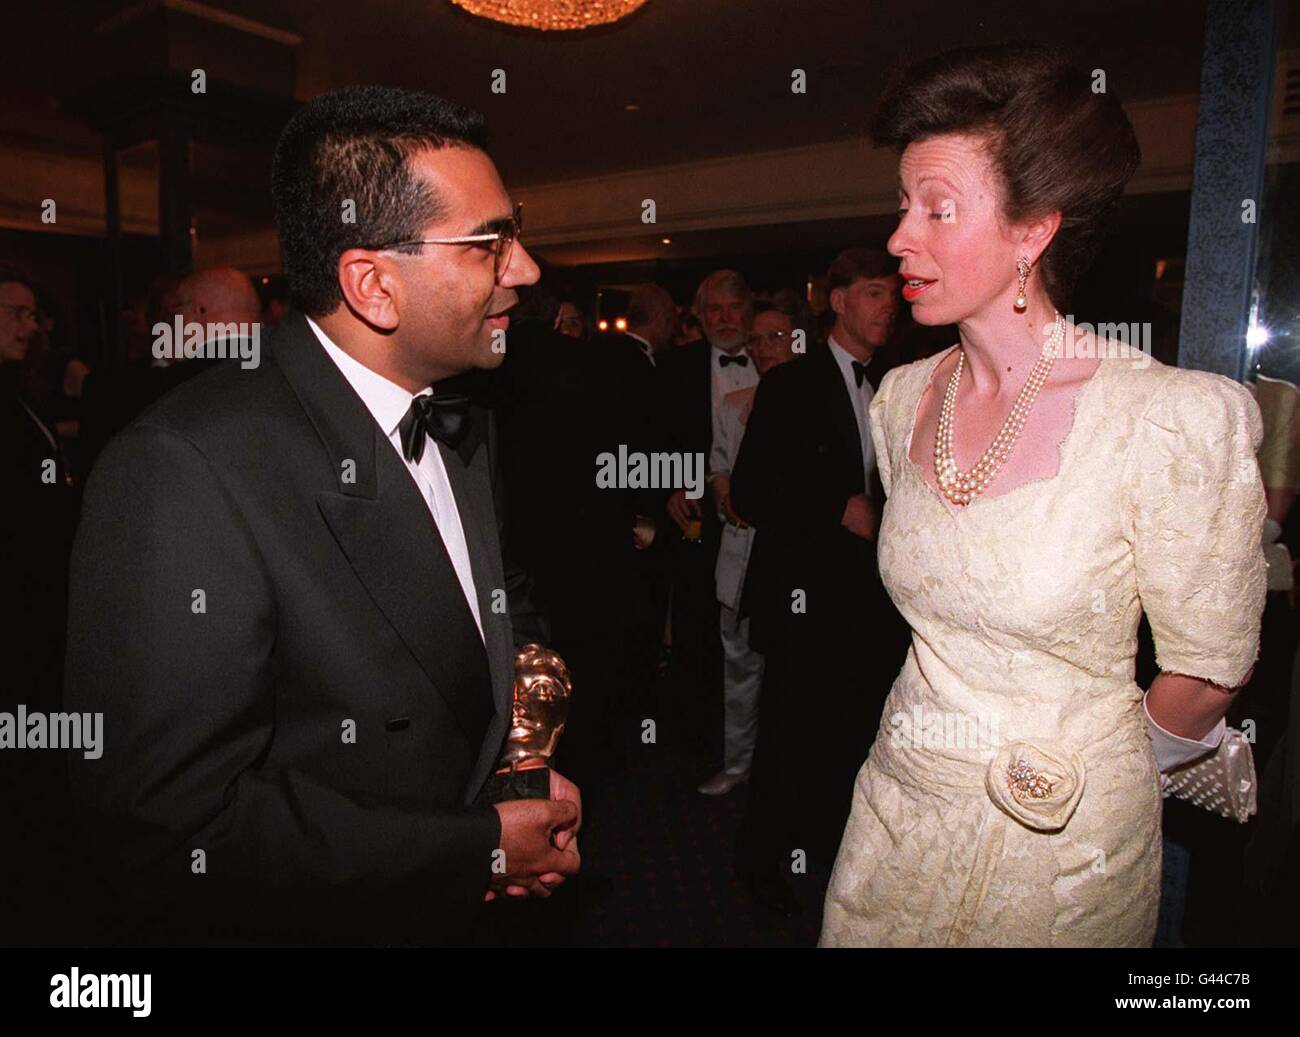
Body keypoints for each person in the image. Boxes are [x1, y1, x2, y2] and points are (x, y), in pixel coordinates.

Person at [64, 85, 581, 946]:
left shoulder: (460, 407)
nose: (524, 268)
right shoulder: (183, 467)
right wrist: (477, 849)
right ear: (372, 284)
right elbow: (173, 827)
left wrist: (525, 762)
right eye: (491, 243)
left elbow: (489, 606)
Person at [820, 44, 1267, 947]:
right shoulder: (901, 395)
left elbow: (1209, 672)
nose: (902, 236)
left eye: (938, 208)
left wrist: (1097, 771)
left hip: (1069, 849)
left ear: (1034, 232)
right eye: (904, 205)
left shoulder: (1171, 417)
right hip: (897, 808)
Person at [729, 252, 905, 914]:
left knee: (857, 739)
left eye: (893, 294)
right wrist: (835, 505)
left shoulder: (900, 383)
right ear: (838, 301)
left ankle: (835, 855)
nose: (887, 305)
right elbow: (750, 491)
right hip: (803, 596)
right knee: (787, 738)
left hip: (875, 601)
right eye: (872, 293)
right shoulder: (790, 384)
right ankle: (760, 860)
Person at [655, 269, 758, 771]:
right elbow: (653, 438)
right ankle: (702, 749)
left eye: (733, 308)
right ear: (699, 315)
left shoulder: (777, 361)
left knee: (756, 640)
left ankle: (756, 750)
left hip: (763, 527)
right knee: (698, 637)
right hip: (697, 523)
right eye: (713, 309)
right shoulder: (674, 367)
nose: (724, 318)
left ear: (749, 312)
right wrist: (669, 487)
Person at [698, 301, 800, 796]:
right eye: (756, 340)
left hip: (796, 565)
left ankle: (786, 779)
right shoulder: (734, 404)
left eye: (775, 337)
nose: (762, 349)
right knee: (738, 666)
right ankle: (738, 765)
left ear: (798, 340)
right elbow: (717, 466)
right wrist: (722, 493)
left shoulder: (821, 401)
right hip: (738, 554)